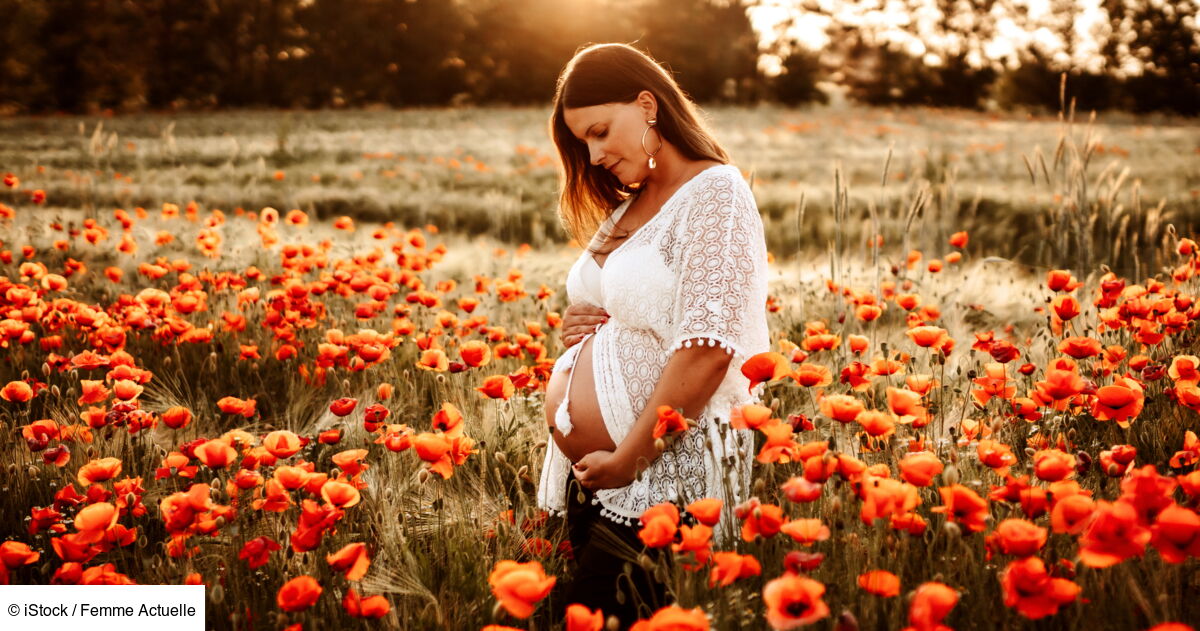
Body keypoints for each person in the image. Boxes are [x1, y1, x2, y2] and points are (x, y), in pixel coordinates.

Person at [535, 42, 770, 629]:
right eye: (581, 142)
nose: (592, 155)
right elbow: (612, 304)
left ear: (648, 106)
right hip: (596, 476)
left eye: (599, 131)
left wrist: (629, 459)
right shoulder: (630, 206)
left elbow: (708, 348)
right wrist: (577, 326)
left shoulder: (715, 193)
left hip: (661, 476)